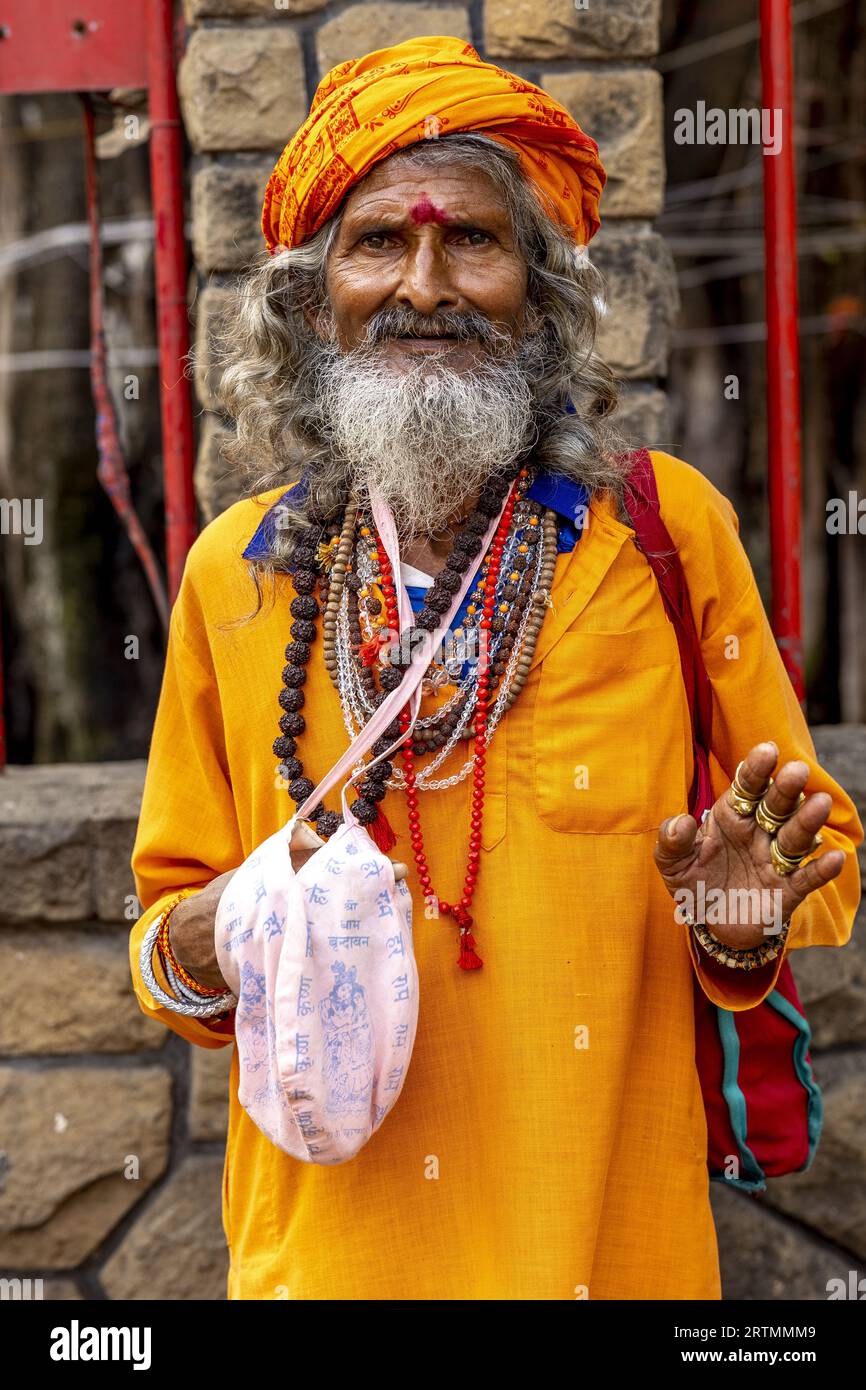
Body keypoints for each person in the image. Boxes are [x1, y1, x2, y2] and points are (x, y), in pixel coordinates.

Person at [129, 35, 862, 1300]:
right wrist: (214, 927)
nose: (425, 284)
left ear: (540, 290)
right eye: (377, 243)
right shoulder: (234, 572)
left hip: (603, 1255)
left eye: (472, 240)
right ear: (314, 300)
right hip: (328, 1269)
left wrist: (736, 931)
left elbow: (815, 866)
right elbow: (164, 959)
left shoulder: (660, 530)